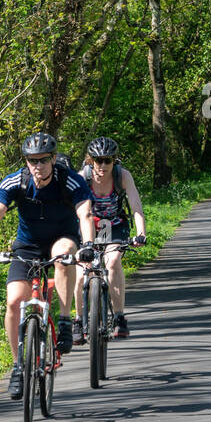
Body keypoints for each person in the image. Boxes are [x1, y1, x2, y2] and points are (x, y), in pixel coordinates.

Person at [0, 132, 95, 398]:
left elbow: (85, 212)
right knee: (13, 301)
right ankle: (18, 366)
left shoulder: (70, 180)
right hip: (27, 247)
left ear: (53, 159)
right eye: (32, 160)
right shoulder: (15, 181)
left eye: (43, 160)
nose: (37, 166)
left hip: (62, 238)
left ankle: (65, 320)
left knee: (64, 254)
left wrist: (87, 244)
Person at [75, 136, 146, 339]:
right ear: (91, 160)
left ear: (114, 161)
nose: (103, 165)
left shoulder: (122, 176)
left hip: (114, 225)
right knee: (82, 270)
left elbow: (136, 206)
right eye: (98, 160)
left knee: (113, 261)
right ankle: (79, 320)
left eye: (108, 160)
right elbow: (72, 210)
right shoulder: (82, 177)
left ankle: (119, 317)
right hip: (88, 225)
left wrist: (141, 234)